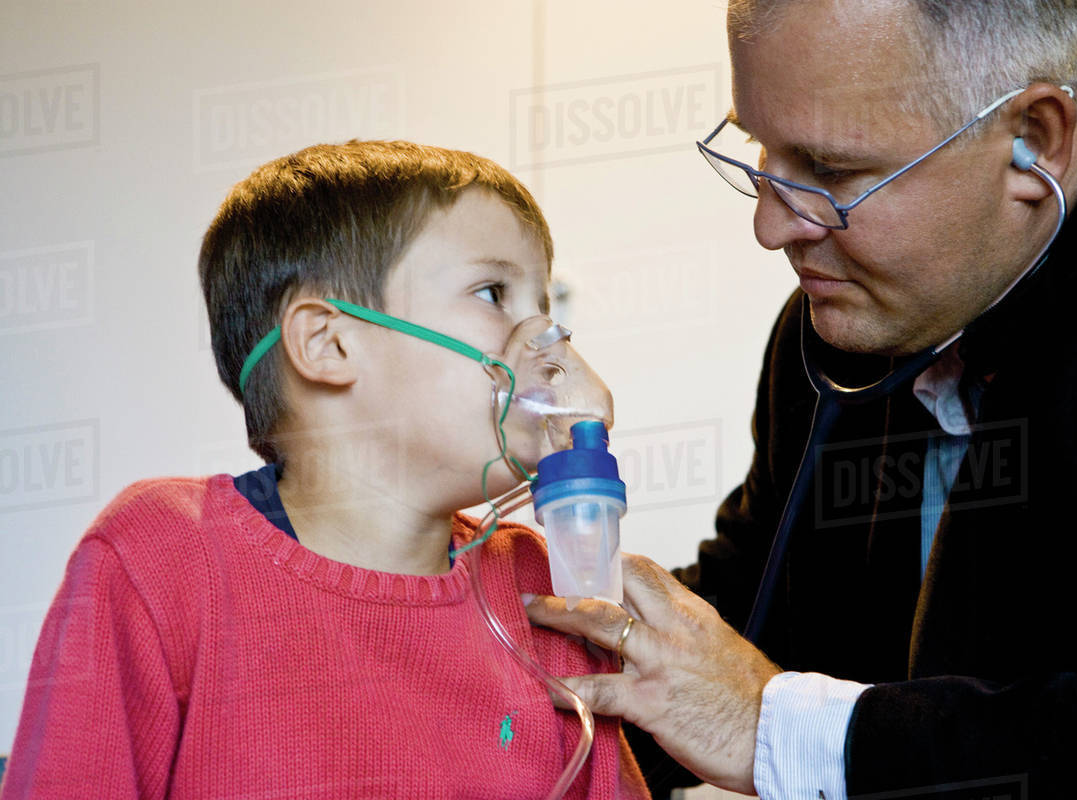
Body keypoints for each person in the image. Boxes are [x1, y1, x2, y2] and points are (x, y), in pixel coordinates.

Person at [524, 1, 1077, 798]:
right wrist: (489, 660)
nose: (770, 227)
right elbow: (747, 609)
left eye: (834, 172)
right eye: (761, 151)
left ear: (1035, 140)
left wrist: (767, 723)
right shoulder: (843, 331)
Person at [0, 140, 650, 799]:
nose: (547, 342)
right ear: (328, 343)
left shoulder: (538, 589)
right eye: (493, 293)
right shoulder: (164, 559)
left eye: (546, 306)